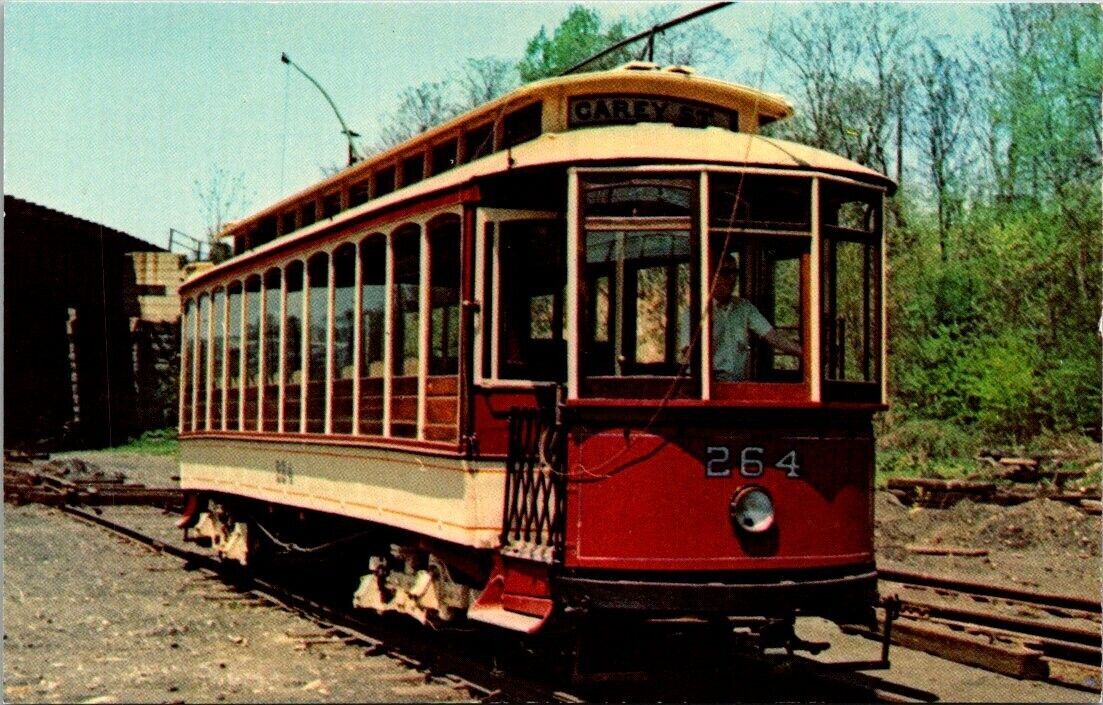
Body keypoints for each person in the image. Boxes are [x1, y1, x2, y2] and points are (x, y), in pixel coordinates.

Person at [711, 255, 802, 381]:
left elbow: (773, 337)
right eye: (726, 273)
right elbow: (688, 352)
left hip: (736, 386)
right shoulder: (696, 311)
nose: (732, 279)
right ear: (712, 276)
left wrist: (807, 353)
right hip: (708, 387)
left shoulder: (744, 308)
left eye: (735, 273)